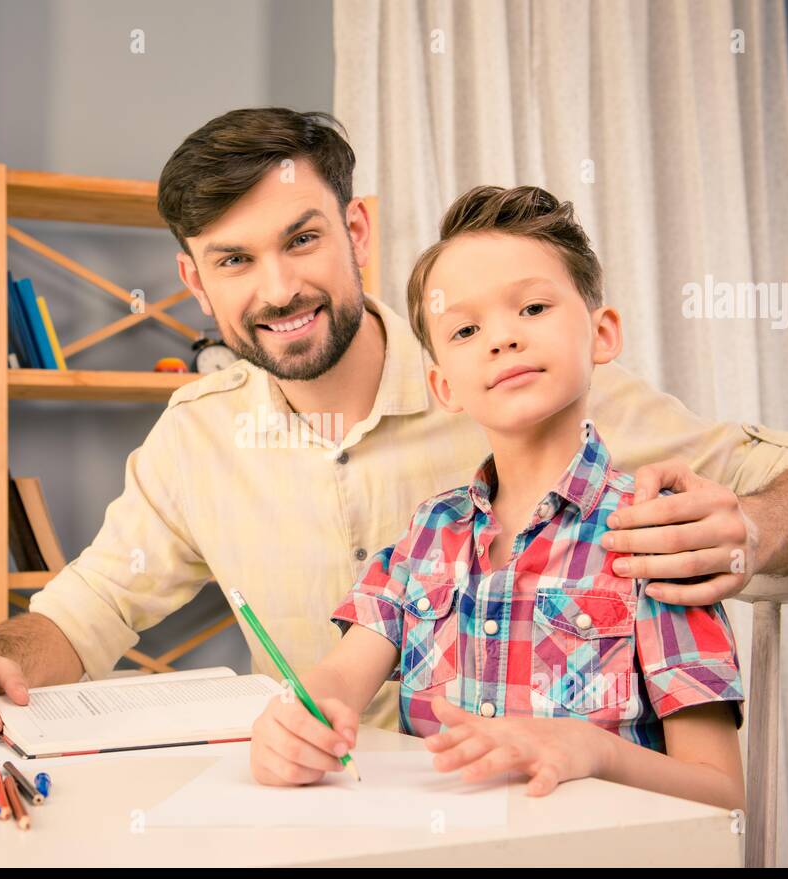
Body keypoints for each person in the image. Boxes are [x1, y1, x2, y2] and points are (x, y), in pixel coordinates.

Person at [0, 108, 788, 745]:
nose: (278, 290)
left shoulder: (516, 386)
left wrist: (751, 531)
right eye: (233, 262)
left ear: (357, 231)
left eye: (302, 239)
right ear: (195, 284)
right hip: (315, 824)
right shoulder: (193, 440)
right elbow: (86, 616)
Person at [250, 185, 746, 809]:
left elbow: (725, 797)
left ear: (602, 334)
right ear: (444, 385)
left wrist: (593, 750)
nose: (502, 339)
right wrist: (298, 724)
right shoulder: (429, 534)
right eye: (465, 329)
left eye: (533, 308)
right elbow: (338, 681)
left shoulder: (654, 538)